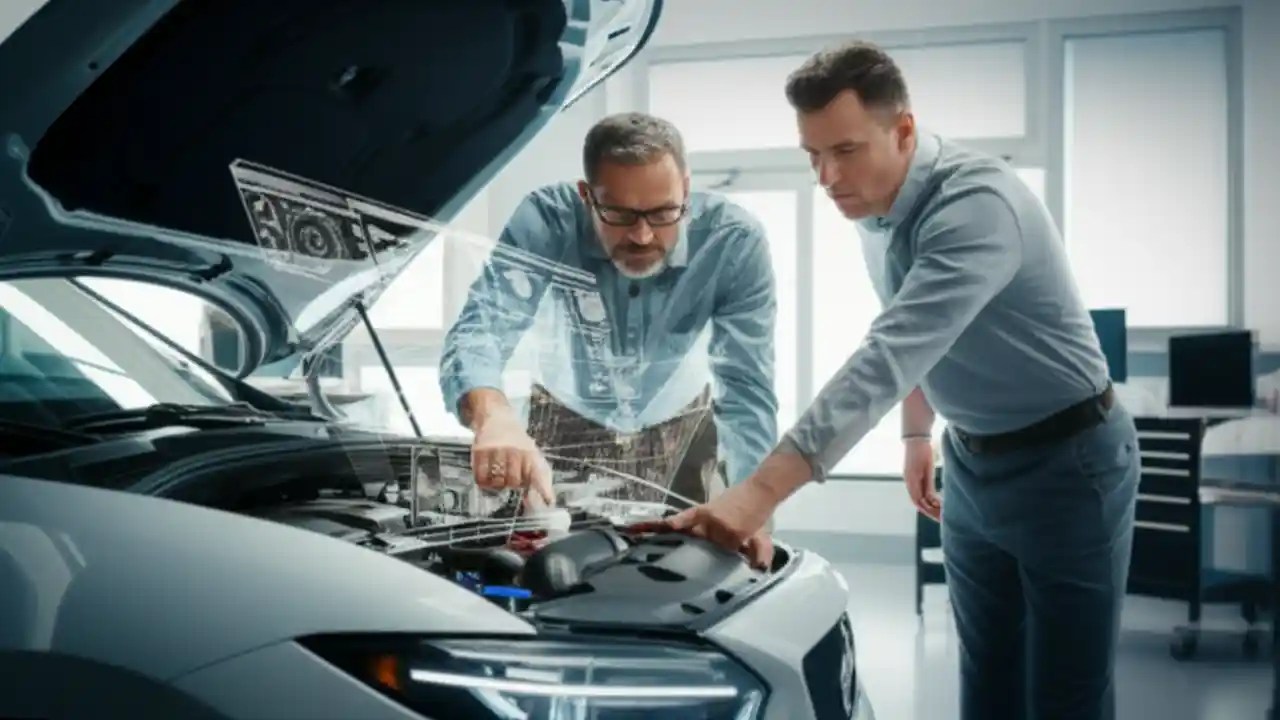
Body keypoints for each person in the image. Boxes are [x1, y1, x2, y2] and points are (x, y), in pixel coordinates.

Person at [645, 40, 1141, 720]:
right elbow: (916, 328)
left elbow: (891, 352)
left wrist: (757, 494)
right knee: (987, 673)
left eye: (844, 150)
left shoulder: (977, 204)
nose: (826, 176)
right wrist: (917, 432)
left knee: (1066, 692)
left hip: (1070, 460)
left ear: (903, 130)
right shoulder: (874, 203)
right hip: (972, 460)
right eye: (812, 154)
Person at [438, 111, 779, 513]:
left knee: (684, 562)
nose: (642, 235)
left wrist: (756, 509)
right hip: (563, 422)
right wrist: (494, 417)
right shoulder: (547, 220)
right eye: (619, 214)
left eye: (664, 212)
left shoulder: (733, 241)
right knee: (545, 559)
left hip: (683, 427)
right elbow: (485, 325)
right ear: (587, 195)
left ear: (686, 190)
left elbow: (746, 388)